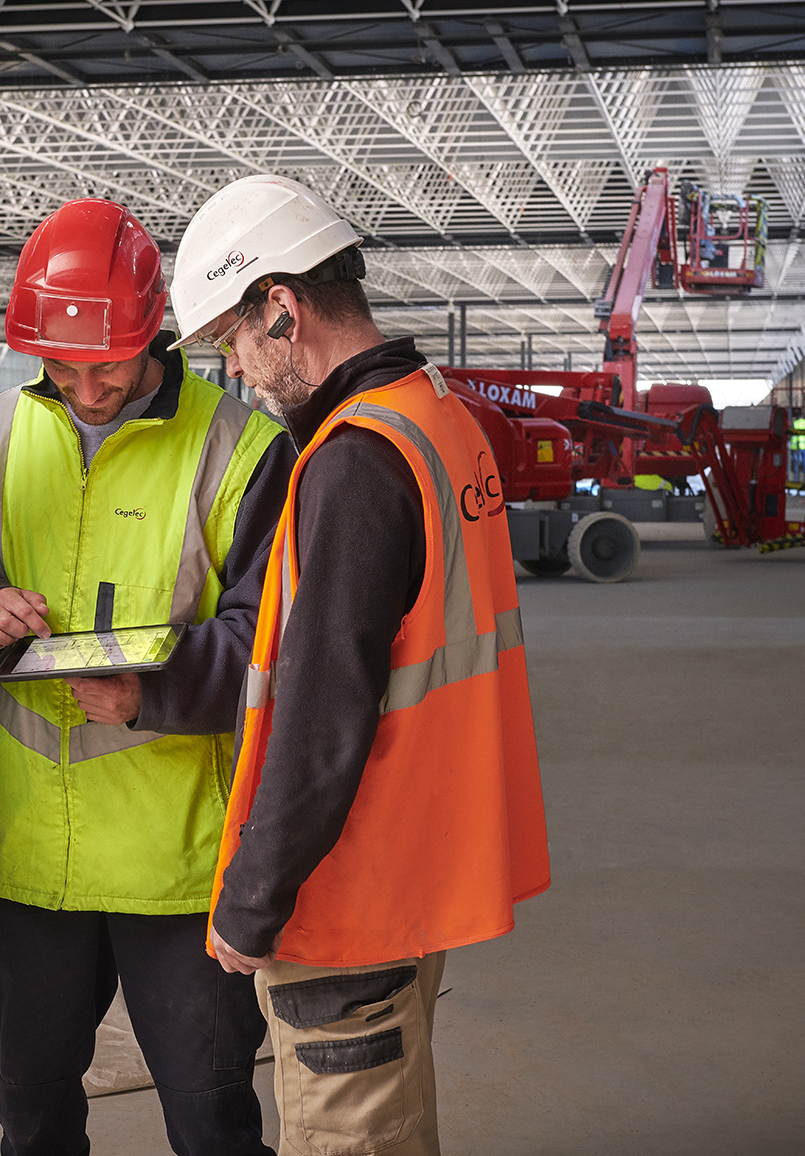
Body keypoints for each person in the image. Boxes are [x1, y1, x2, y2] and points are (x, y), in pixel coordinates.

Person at [171, 175, 551, 1156]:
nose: (240, 375)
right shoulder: (435, 417)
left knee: (352, 1135)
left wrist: (251, 900)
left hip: (350, 896)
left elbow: (321, 716)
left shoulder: (351, 462)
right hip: (416, 875)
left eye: (234, 345)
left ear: (283, 311)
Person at [0, 198, 293, 1156]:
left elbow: (267, 638)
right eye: (65, 366)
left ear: (154, 331)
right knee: (33, 1110)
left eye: (110, 364)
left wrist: (148, 696)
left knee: (212, 1116)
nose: (87, 387)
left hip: (179, 861)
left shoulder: (240, 447)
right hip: (37, 858)